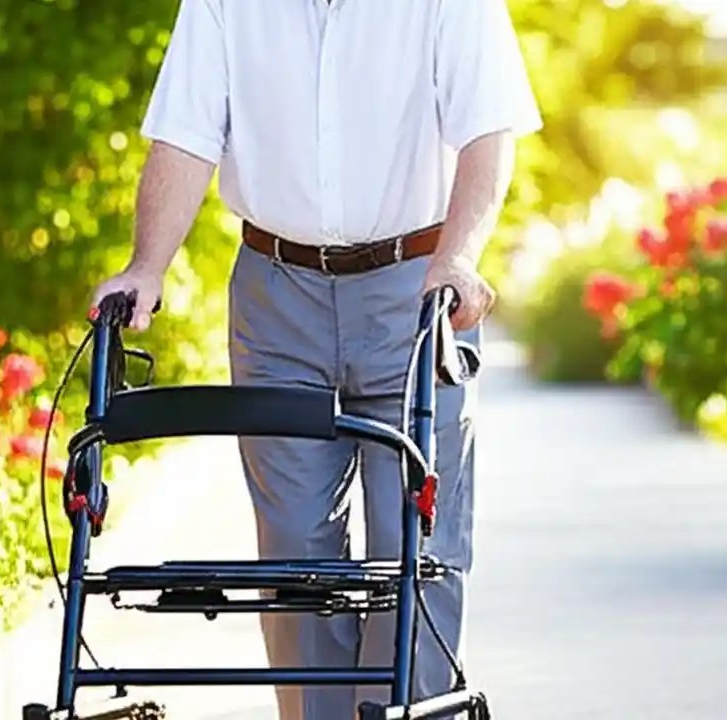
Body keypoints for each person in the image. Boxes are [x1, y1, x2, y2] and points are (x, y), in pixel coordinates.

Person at [88, 1, 542, 718]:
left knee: (415, 548)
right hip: (277, 292)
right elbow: (183, 136)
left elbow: (488, 135)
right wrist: (147, 266)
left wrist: (458, 257)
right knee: (294, 551)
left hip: (415, 290)